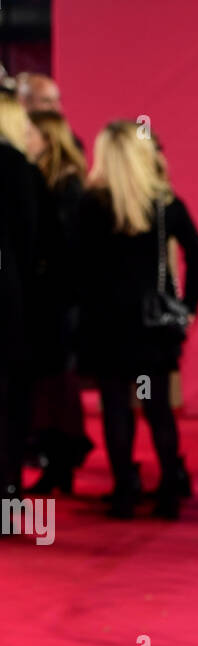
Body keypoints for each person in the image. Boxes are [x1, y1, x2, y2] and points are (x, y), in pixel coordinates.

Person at [74, 120, 198, 518]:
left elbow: (76, 267)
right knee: (157, 407)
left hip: (107, 325)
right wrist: (190, 306)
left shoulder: (90, 205)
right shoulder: (165, 204)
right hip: (152, 328)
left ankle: (125, 493)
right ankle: (168, 488)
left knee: (116, 407)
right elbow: (196, 254)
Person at [25, 111, 93, 495]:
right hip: (55, 301)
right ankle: (56, 461)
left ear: (48, 138)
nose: (26, 138)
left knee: (59, 384)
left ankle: (61, 460)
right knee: (52, 384)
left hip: (62, 304)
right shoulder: (53, 181)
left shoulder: (65, 185)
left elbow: (65, 250)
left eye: (31, 133)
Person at [0, 94, 39, 509]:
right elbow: (31, 240)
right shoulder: (18, 168)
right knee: (11, 398)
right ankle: (8, 491)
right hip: (11, 301)